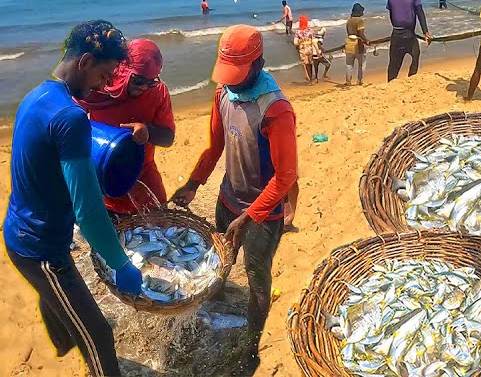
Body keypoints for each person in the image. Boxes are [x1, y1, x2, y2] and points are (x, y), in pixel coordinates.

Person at [5, 21, 143, 377]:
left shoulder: (38, 95)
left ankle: (62, 343)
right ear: (84, 62)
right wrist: (120, 263)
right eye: (104, 74)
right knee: (99, 336)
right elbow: (89, 208)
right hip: (43, 250)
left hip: (18, 230)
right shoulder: (71, 117)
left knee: (53, 298)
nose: (105, 85)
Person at [171, 26, 298, 377]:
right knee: (221, 261)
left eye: (239, 75)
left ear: (259, 64)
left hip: (264, 212)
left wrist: (252, 216)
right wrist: (194, 183)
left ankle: (252, 345)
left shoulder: (276, 110)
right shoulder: (222, 94)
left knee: (257, 276)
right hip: (228, 199)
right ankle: (215, 302)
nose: (233, 82)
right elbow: (215, 147)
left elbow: (286, 177)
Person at [77, 38, 176, 215]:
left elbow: (168, 138)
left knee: (161, 228)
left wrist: (148, 132)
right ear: (123, 71)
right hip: (103, 176)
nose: (145, 87)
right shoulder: (99, 86)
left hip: (143, 176)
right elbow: (70, 117)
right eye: (138, 81)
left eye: (151, 81)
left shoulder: (158, 92)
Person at [387, 0, 432, 81]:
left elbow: (392, 17)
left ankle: (391, 81)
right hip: (409, 35)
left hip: (396, 34)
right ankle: (412, 78)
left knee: (394, 63)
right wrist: (426, 32)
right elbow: (420, 15)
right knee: (415, 57)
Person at [344, 3, 370, 86]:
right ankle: (360, 81)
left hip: (348, 43)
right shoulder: (359, 20)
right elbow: (360, 33)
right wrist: (366, 41)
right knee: (362, 63)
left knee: (349, 64)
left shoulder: (349, 20)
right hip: (358, 44)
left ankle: (348, 81)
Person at [292, 15, 321, 84]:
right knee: (310, 63)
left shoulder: (298, 32)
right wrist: (317, 51)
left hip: (302, 49)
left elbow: (295, 43)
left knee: (306, 64)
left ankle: (310, 79)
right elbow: (314, 41)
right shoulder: (310, 31)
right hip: (310, 48)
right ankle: (313, 78)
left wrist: (300, 42)